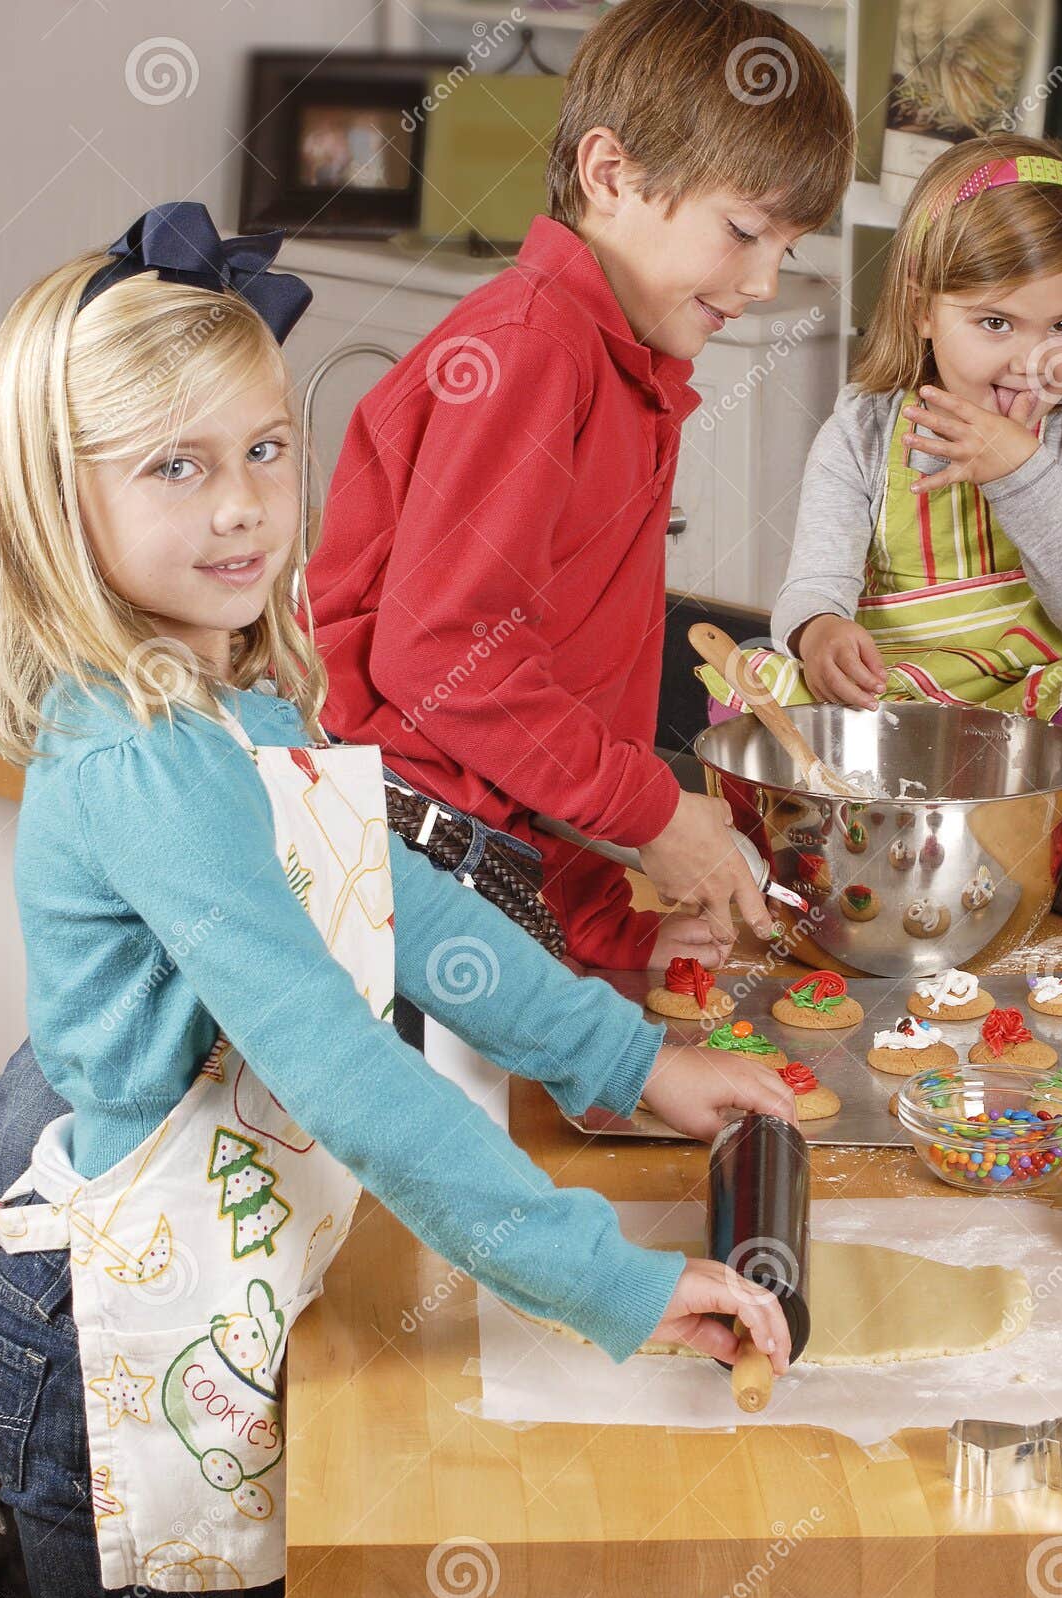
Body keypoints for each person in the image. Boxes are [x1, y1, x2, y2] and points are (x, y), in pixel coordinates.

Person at [0, 204, 794, 1598]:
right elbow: (341, 1067)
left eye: (263, 450)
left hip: (221, 1282)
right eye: (175, 466)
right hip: (111, 1336)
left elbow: (406, 902)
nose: (239, 502)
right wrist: (607, 1279)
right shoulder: (148, 758)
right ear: (63, 497)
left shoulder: (231, 696)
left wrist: (632, 1060)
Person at [306, 0, 856, 969]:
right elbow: (440, 659)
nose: (766, 281)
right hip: (396, 870)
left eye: (789, 248)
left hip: (486, 862)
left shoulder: (631, 370)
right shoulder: (530, 352)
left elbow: (551, 719)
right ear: (610, 175)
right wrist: (650, 813)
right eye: (743, 231)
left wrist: (615, 932)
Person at [699, 134, 1062, 834]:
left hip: (1041, 711)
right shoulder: (861, 434)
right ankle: (966, 835)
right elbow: (813, 583)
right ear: (923, 308)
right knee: (746, 703)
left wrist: (1021, 472)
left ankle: (1000, 844)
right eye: (994, 322)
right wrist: (821, 632)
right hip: (897, 711)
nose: (1034, 360)